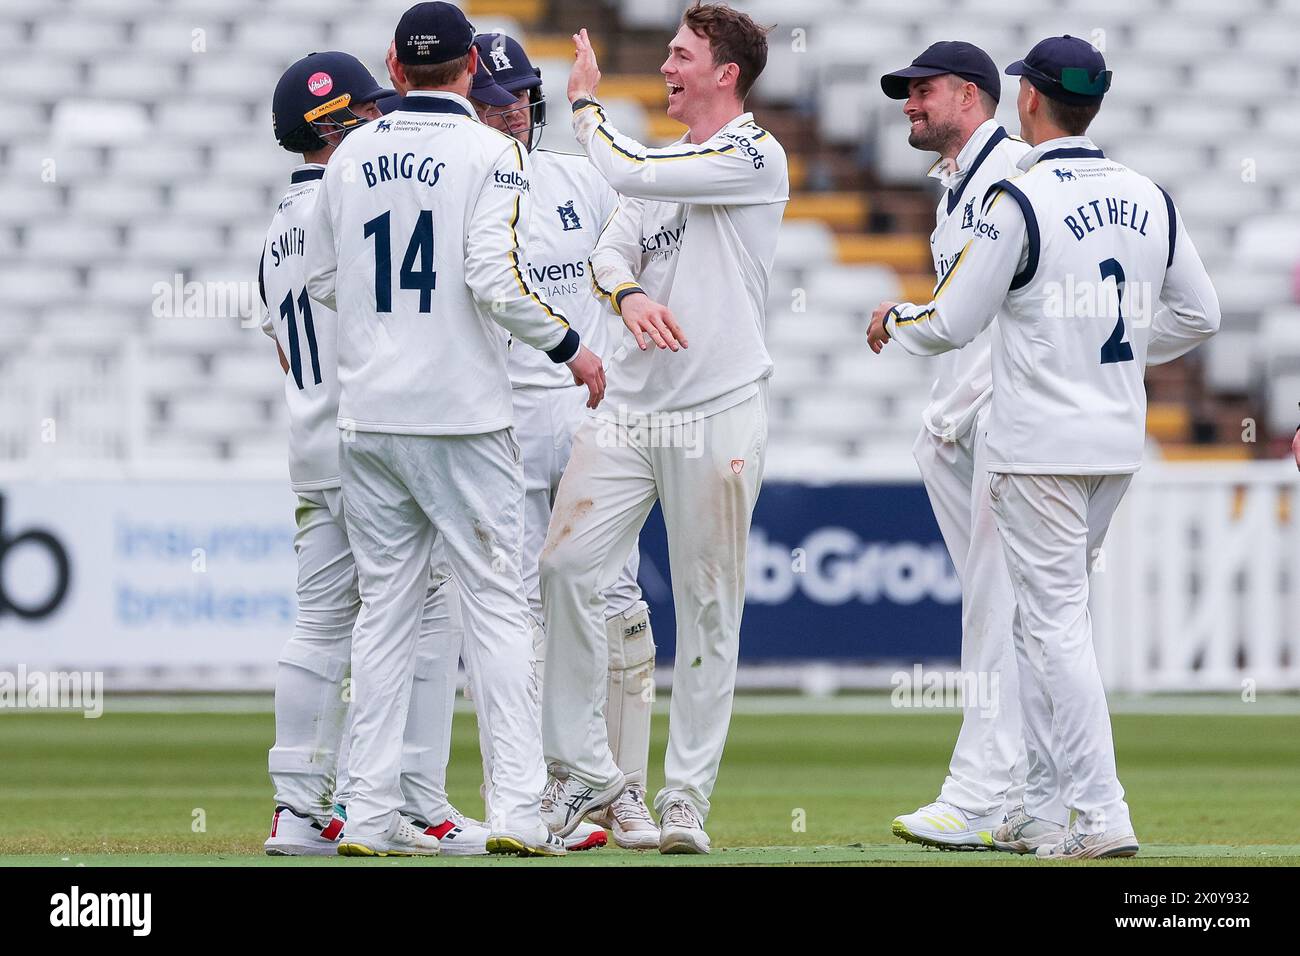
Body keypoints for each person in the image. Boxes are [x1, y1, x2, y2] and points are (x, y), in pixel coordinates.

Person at [867, 36, 1220, 858]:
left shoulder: (1020, 195)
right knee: (1044, 625)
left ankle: (1100, 813)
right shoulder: (1148, 193)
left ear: (1025, 99)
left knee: (1052, 627)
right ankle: (1046, 809)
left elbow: (954, 322)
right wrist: (1113, 341)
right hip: (1114, 444)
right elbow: (1200, 315)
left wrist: (894, 320)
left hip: (1034, 447)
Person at [304, 0, 605, 858]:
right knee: (498, 607)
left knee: (386, 615)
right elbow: (492, 279)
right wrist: (572, 346)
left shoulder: (352, 151)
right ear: (470, 69)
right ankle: (515, 811)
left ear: (393, 70)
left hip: (371, 418)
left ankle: (365, 816)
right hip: (461, 416)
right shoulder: (493, 151)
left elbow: (326, 278)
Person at [538, 2, 788, 855]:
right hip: (633, 410)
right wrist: (630, 294)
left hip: (720, 407)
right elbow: (609, 253)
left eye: (682, 55)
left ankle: (684, 800)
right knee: (566, 564)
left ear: (726, 73)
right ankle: (584, 776)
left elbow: (626, 172)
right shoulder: (673, 161)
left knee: (709, 607)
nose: (668, 65)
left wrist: (583, 105)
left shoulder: (754, 154)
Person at [464, 31, 660, 850]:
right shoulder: (457, 186)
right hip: (497, 418)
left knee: (614, 602)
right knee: (508, 612)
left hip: (586, 410)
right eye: (492, 100)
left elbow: (640, 246)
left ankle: (622, 793)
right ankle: (531, 793)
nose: (509, 112)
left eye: (518, 99)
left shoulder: (577, 175)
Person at [875, 41, 1031, 851]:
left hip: (1013, 428)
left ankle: (978, 798)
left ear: (970, 96)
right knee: (1015, 614)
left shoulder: (1015, 179)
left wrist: (900, 320)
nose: (908, 102)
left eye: (921, 90)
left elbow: (978, 324)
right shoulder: (959, 187)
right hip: (969, 426)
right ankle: (1031, 799)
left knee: (998, 610)